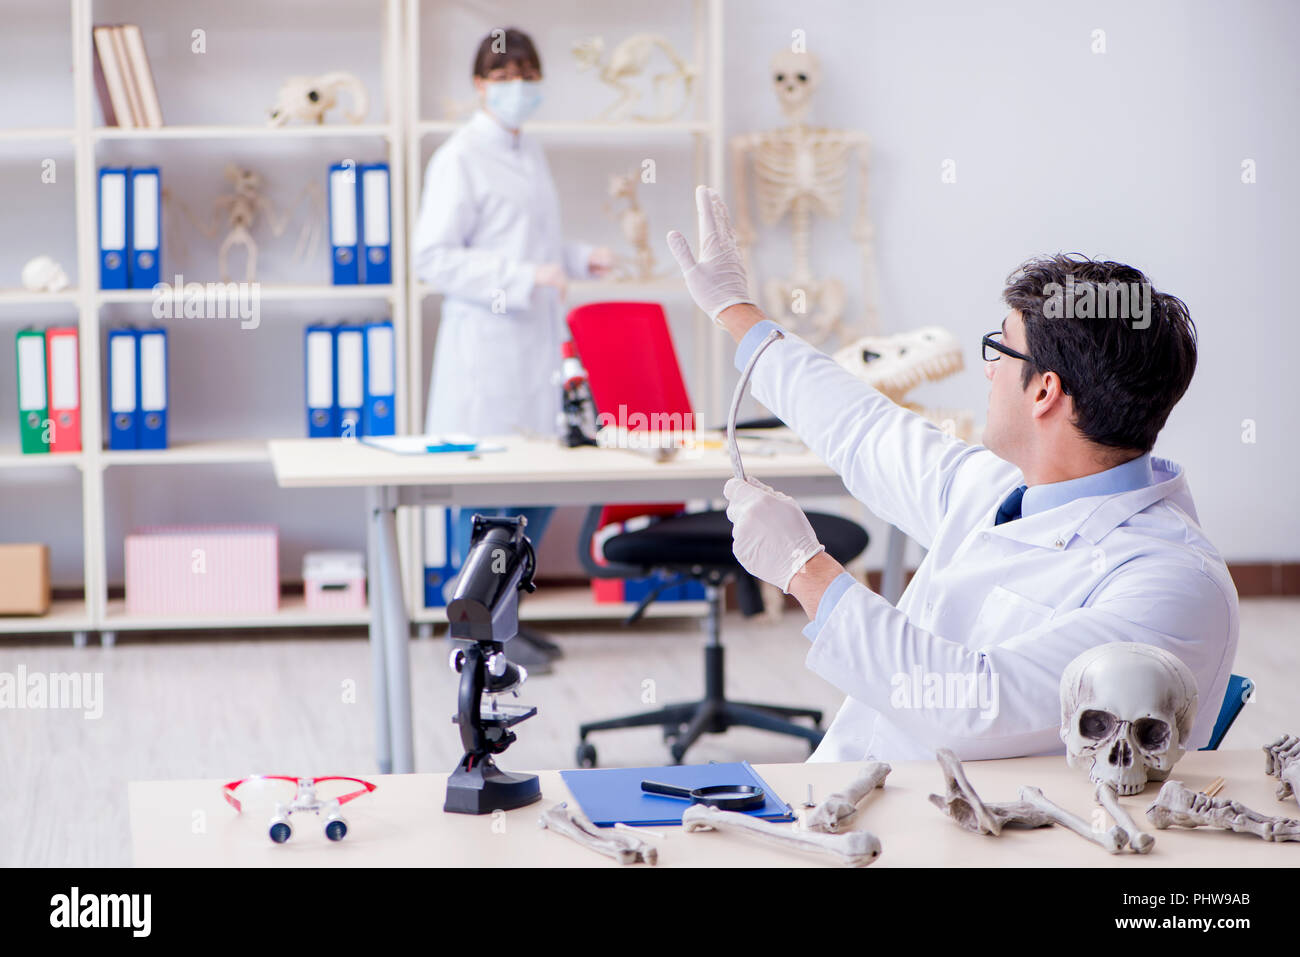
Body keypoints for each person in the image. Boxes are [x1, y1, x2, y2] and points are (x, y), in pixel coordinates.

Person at [665, 185, 1239, 762]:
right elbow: (861, 427)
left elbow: (976, 705)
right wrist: (735, 310)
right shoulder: (998, 488)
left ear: (1045, 391)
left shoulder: (1171, 583)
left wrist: (805, 569)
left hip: (964, 816)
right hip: (856, 790)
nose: (989, 371)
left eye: (1001, 349)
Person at [413, 27, 614, 669]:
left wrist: (577, 258)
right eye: (502, 77)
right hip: (487, 348)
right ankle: (476, 631)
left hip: (534, 346)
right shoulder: (459, 157)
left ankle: (505, 618)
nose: (516, 87)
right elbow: (433, 258)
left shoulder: (529, 151)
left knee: (538, 480)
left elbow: (531, 242)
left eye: (526, 75)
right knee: (488, 497)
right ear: (479, 86)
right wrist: (524, 278)